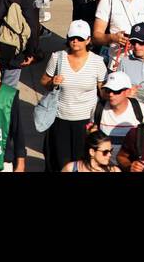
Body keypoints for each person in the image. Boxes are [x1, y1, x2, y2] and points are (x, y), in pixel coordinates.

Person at [40, 20, 108, 173]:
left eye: (80, 38)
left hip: (85, 123)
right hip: (59, 120)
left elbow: (102, 91)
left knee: (83, 165)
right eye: (72, 38)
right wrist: (52, 81)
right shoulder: (57, 57)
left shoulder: (97, 62)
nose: (75, 41)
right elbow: (44, 81)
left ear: (88, 40)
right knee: (59, 163)